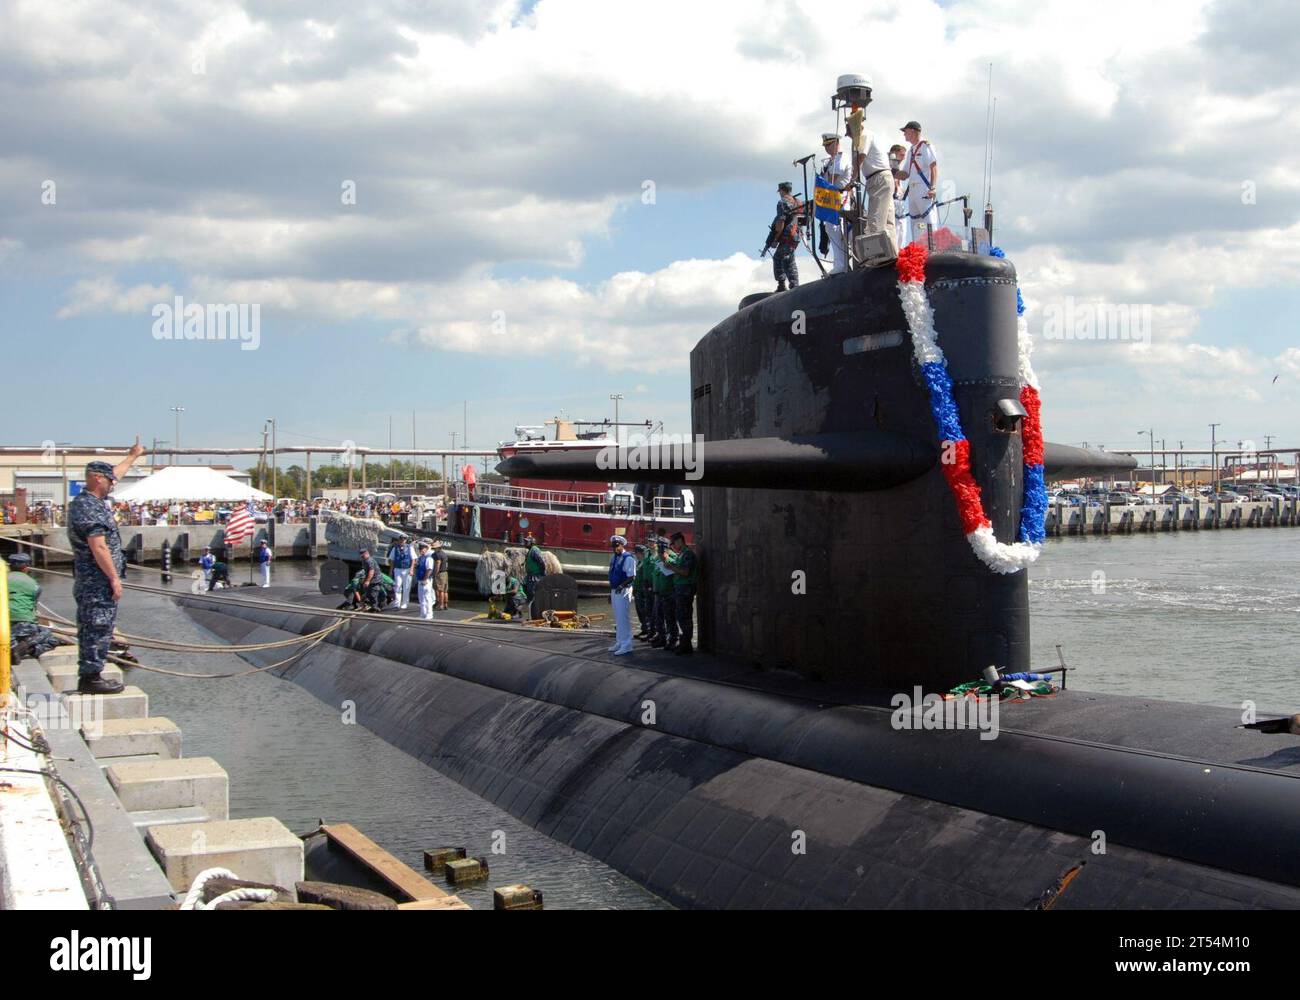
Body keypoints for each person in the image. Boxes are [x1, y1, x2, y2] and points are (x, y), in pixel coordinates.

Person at [67, 442, 145, 694]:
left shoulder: (92, 500)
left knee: (99, 626)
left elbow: (117, 474)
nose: (114, 483)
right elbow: (98, 546)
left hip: (94, 580)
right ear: (98, 479)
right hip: (96, 581)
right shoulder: (89, 507)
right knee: (96, 627)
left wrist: (132, 456)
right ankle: (91, 677)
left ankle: (93, 674)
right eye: (110, 480)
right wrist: (114, 578)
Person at [6, 552, 65, 662]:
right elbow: (32, 606)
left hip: (4, 625)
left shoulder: (2, 579)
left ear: (9, 566)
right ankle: (28, 648)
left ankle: (17, 647)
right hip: (24, 625)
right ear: (26, 567)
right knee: (50, 637)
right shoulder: (34, 585)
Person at [854, 125, 899, 261]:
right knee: (887, 221)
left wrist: (853, 175)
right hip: (882, 177)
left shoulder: (865, 136)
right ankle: (893, 254)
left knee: (875, 221)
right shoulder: (870, 135)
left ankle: (879, 258)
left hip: (878, 178)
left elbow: (862, 156)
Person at [819, 133, 853, 274]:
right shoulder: (829, 161)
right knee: (831, 229)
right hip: (831, 198)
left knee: (837, 229)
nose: (826, 148)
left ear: (836, 143)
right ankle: (839, 262)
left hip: (840, 196)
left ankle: (842, 264)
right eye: (825, 146)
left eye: (829, 145)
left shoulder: (841, 158)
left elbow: (834, 178)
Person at [900, 121, 938, 243]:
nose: (904, 135)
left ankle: (934, 248)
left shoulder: (925, 146)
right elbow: (905, 174)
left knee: (929, 221)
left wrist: (933, 188)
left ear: (912, 131)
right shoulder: (910, 151)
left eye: (905, 132)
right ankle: (917, 250)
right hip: (912, 191)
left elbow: (934, 167)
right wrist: (891, 170)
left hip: (923, 190)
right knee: (915, 223)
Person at [765, 182, 804, 292]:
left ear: (782, 190)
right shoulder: (798, 202)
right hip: (797, 235)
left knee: (778, 258)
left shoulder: (782, 202)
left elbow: (781, 222)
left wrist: (775, 239)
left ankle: (782, 284)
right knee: (789, 258)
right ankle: (794, 284)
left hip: (787, 235)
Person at [666, 532, 698, 655]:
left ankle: (686, 645)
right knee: (681, 616)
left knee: (685, 617)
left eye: (673, 543)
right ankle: (684, 643)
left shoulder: (688, 554)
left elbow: (685, 572)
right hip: (680, 589)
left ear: (680, 541)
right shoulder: (682, 554)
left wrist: (671, 568)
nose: (673, 546)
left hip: (686, 590)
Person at [607, 535, 636, 656]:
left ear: (622, 545)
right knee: (618, 617)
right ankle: (620, 641)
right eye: (613, 546)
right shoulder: (614, 558)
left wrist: (620, 587)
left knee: (623, 617)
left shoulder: (628, 558)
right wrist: (611, 592)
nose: (615, 549)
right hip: (615, 590)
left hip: (623, 590)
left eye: (617, 546)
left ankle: (627, 644)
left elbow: (631, 576)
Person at [648, 536, 676, 648]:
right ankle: (662, 638)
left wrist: (666, 558)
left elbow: (674, 572)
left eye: (660, 546)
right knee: (658, 617)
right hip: (658, 593)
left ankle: (673, 640)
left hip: (669, 592)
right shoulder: (658, 559)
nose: (659, 549)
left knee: (670, 618)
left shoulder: (672, 557)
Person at [889, 143, 910, 248]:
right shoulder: (889, 166)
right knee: (894, 232)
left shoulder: (900, 169)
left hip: (900, 202)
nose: (903, 158)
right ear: (895, 153)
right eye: (901, 155)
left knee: (902, 232)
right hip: (891, 201)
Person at [522, 532, 546, 616]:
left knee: (534, 594)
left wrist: (542, 574)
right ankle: (531, 614)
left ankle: (536, 614)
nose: (525, 543)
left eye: (527, 542)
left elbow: (541, 562)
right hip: (530, 576)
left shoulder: (534, 550)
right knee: (529, 594)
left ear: (531, 542)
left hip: (535, 577)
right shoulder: (530, 551)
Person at [387, 534, 413, 609]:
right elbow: (392, 560)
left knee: (406, 587)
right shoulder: (395, 548)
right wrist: (391, 570)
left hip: (407, 569)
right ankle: (397, 603)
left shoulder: (410, 548)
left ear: (406, 540)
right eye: (401, 539)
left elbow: (413, 559)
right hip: (398, 569)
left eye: (404, 539)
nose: (402, 541)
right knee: (397, 586)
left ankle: (404, 603)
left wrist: (411, 569)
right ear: (399, 540)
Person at [632, 543, 652, 639]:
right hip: (638, 590)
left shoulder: (645, 563)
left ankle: (648, 630)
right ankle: (644, 628)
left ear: (640, 553)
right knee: (639, 611)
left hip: (643, 591)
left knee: (645, 611)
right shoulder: (639, 563)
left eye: (636, 553)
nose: (635, 555)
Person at [414, 539, 437, 620]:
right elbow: (418, 567)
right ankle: (422, 614)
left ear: (426, 548)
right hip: (420, 579)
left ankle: (429, 614)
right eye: (420, 549)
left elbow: (429, 569)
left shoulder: (429, 558)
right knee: (421, 598)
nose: (420, 550)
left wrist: (425, 579)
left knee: (427, 597)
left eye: (422, 549)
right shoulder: (421, 557)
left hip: (426, 580)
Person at [358, 547, 385, 612]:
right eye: (361, 556)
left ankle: (375, 608)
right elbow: (366, 571)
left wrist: (367, 581)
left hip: (376, 580)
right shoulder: (364, 560)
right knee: (368, 593)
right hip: (372, 580)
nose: (362, 557)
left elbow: (371, 571)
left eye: (363, 555)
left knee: (373, 593)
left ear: (367, 553)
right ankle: (372, 606)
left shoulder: (369, 560)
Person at [432, 539, 450, 610]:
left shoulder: (437, 555)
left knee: (439, 589)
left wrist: (435, 573)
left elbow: (438, 564)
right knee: (445, 590)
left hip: (440, 573)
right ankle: (445, 604)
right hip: (445, 573)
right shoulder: (444, 553)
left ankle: (440, 604)